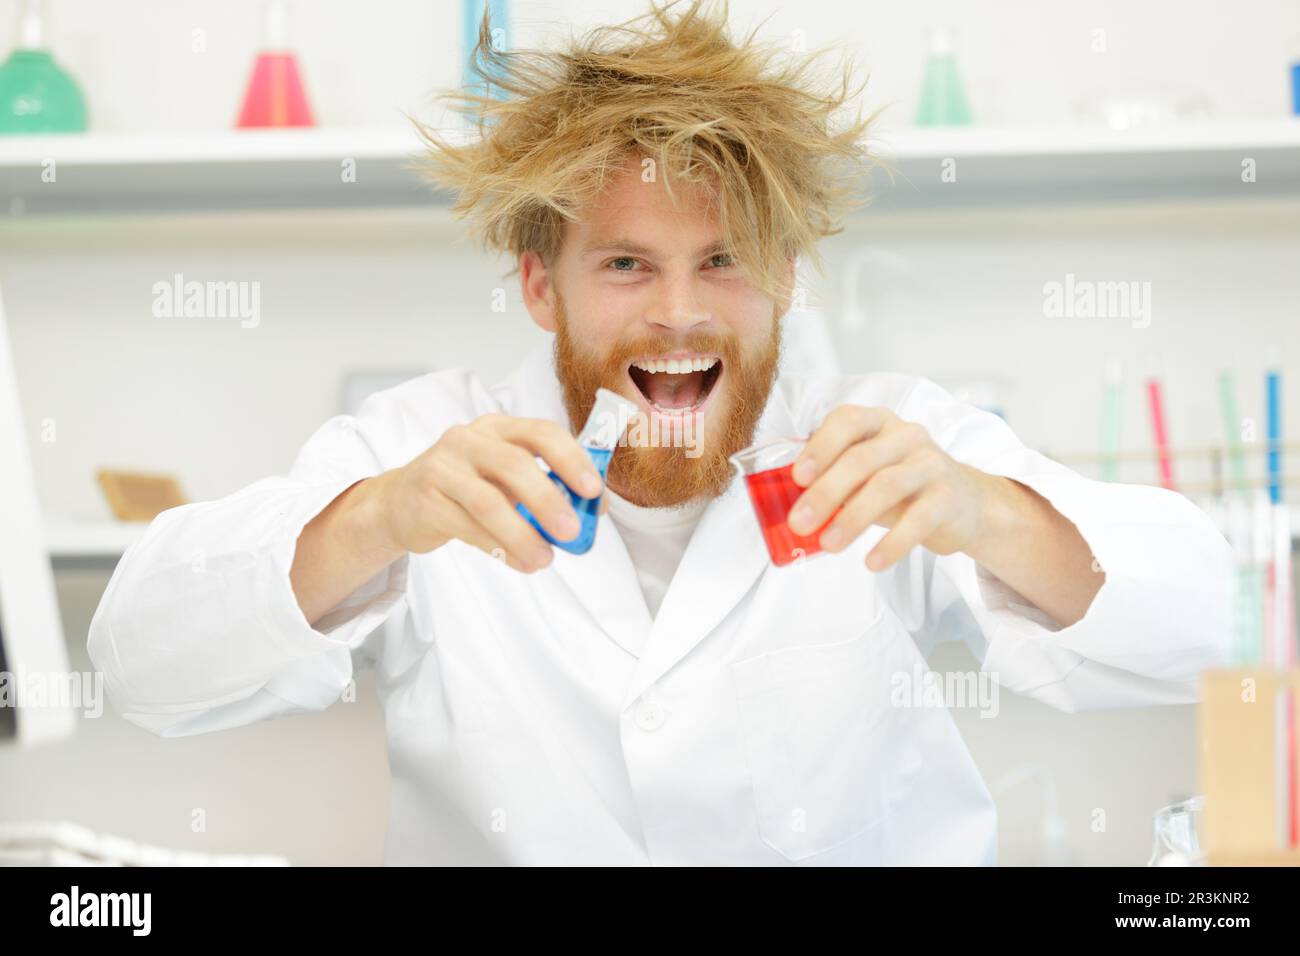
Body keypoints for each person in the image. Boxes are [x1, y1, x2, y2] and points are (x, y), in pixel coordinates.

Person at [88, 0, 1229, 865]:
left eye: (722, 260)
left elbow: (1199, 630)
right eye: (626, 262)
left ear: (784, 278)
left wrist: (985, 511)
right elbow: (139, 663)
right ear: (541, 286)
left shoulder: (893, 442)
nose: (679, 311)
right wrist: (379, 517)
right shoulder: (422, 447)